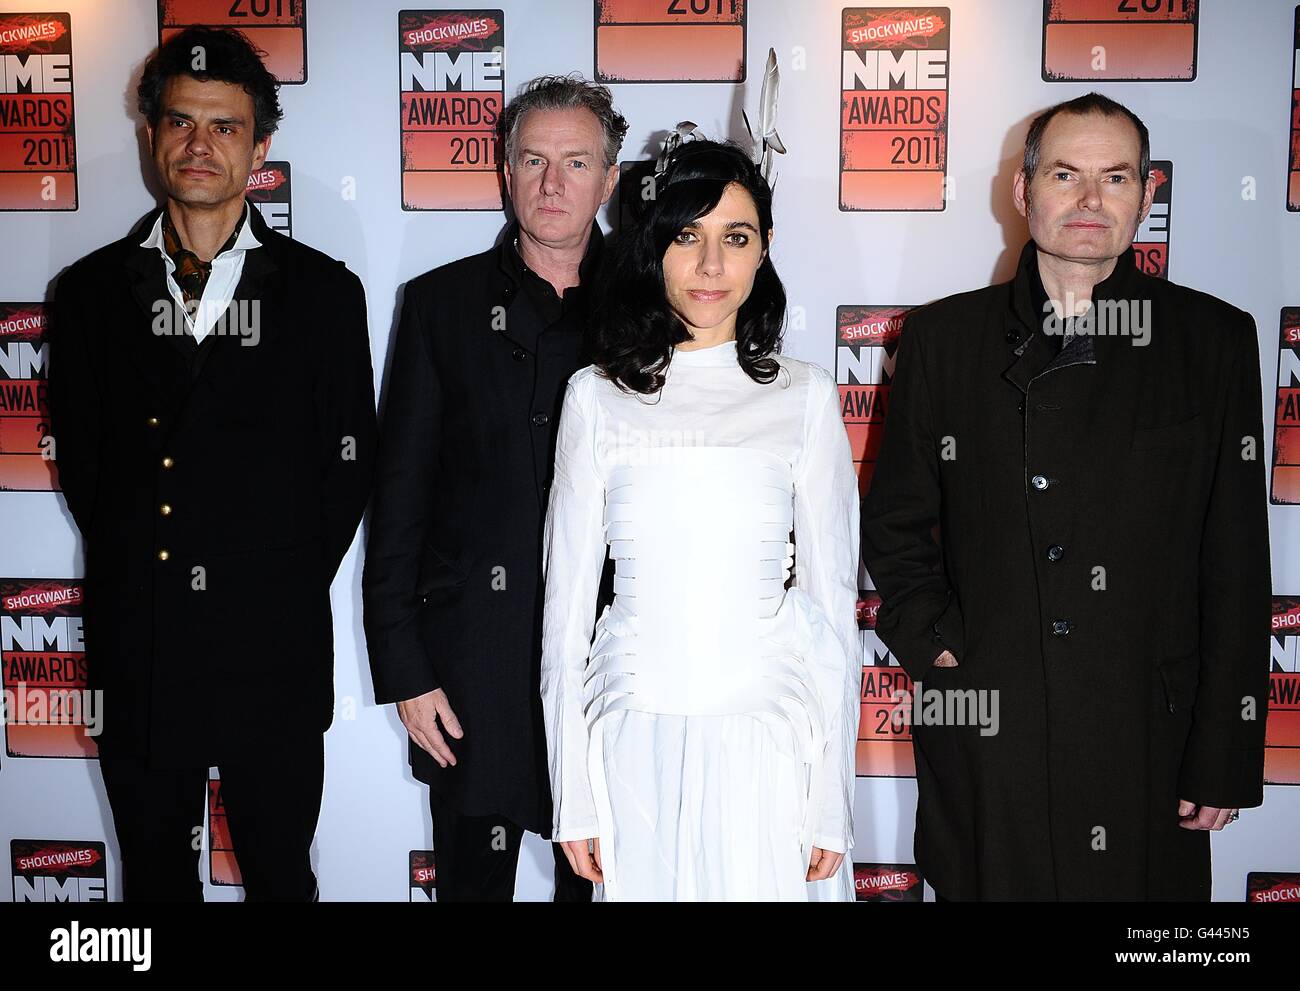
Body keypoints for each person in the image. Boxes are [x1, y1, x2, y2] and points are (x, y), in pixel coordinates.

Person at [860, 92, 1271, 901]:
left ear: (1148, 195)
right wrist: (940, 644)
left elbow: (1236, 561)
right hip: (991, 729)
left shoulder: (1213, 340)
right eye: (1065, 174)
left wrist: (1224, 749)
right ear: (1023, 191)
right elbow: (896, 519)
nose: (1090, 201)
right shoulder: (945, 339)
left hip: (1147, 737)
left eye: (1116, 177)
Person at [46, 27, 377, 901]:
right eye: (181, 122)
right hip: (140, 650)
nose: (200, 145)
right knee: (153, 884)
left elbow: (347, 468)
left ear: (260, 148)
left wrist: (265, 581)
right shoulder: (85, 294)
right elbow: (86, 468)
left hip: (273, 652)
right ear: (153, 137)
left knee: (279, 877)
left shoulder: (323, 293)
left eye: (225, 127)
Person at [539, 136, 860, 901]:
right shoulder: (596, 396)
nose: (712, 266)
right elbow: (565, 611)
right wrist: (572, 793)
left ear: (764, 251)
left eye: (736, 238)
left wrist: (831, 797)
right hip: (633, 748)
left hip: (771, 750)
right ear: (654, 247)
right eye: (688, 236)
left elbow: (833, 609)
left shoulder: (805, 396)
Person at [363, 75, 626, 901]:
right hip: (471, 672)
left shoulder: (658, 307)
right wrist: (405, 668)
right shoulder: (440, 307)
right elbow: (397, 500)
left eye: (576, 162)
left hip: (617, 670)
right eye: (534, 160)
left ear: (610, 179)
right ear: (504, 172)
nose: (553, 184)